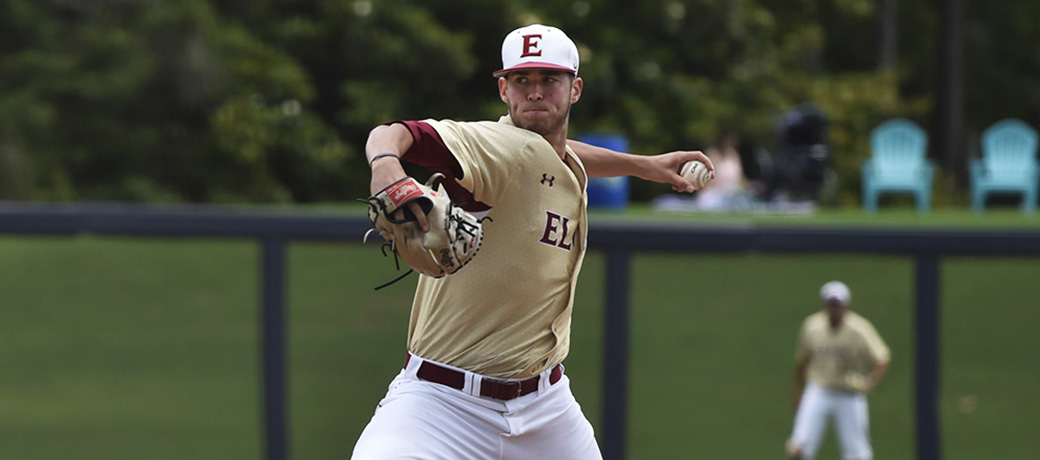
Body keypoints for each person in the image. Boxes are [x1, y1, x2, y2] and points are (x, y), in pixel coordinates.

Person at [353, 24, 713, 459]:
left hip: (545, 406)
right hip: (442, 404)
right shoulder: (495, 145)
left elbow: (561, 154)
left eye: (549, 79)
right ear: (504, 89)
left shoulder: (551, 156)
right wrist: (386, 166)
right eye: (522, 80)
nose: (535, 92)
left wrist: (645, 166)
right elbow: (393, 133)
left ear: (574, 89)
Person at [786, 281, 891, 460]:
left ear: (846, 306)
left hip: (849, 393)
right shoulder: (812, 326)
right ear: (824, 306)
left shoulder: (859, 328)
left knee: (858, 454)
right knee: (799, 447)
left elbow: (882, 357)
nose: (834, 309)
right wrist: (799, 392)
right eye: (831, 304)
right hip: (819, 389)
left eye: (838, 304)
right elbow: (801, 361)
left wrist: (871, 381)